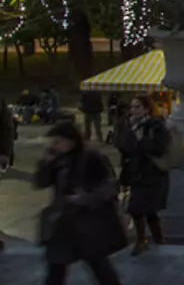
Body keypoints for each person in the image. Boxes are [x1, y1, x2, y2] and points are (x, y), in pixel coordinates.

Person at [35, 121, 127, 285]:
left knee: (99, 265)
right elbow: (40, 182)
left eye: (58, 141)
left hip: (87, 222)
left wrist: (86, 198)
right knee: (56, 269)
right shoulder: (57, 159)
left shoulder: (91, 158)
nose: (55, 145)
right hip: (62, 222)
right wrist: (46, 162)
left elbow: (110, 186)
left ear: (71, 141)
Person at [114, 94, 170, 255]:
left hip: (153, 174)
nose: (133, 110)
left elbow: (159, 149)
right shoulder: (130, 125)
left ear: (147, 108)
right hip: (136, 173)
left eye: (137, 107)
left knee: (137, 208)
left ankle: (142, 240)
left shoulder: (156, 125)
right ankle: (158, 239)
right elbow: (125, 150)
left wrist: (141, 140)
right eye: (132, 107)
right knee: (148, 210)